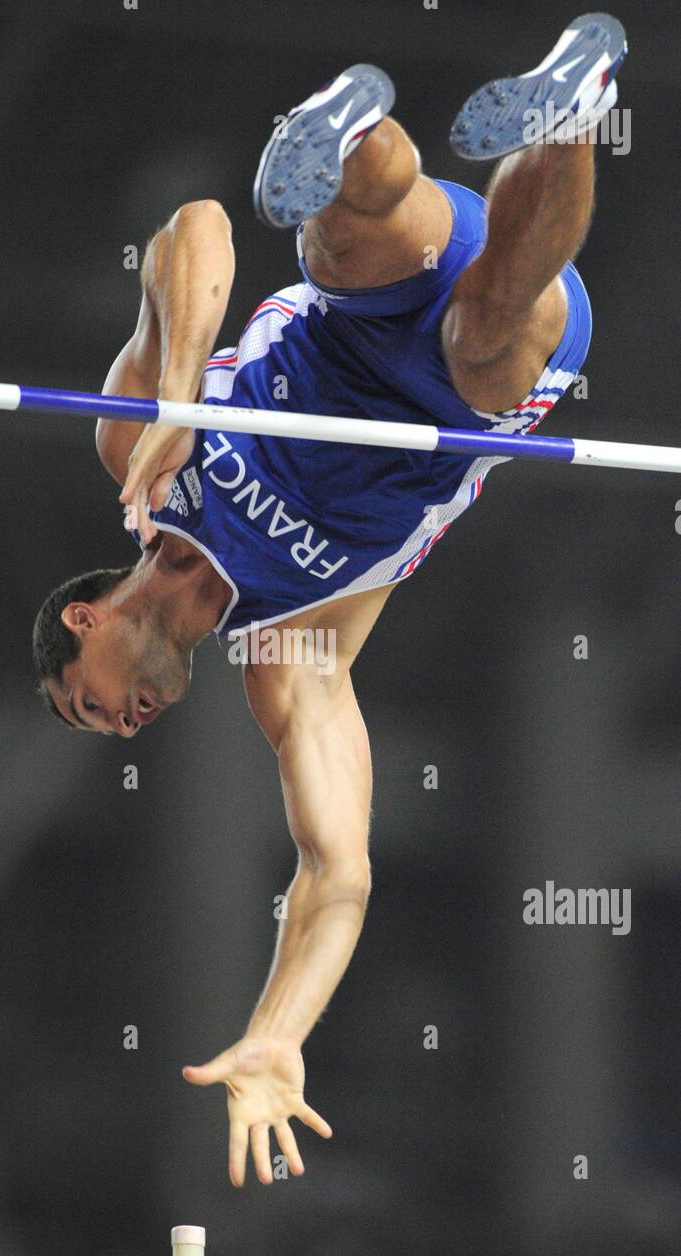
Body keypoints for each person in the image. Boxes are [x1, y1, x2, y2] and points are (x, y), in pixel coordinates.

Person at [32, 16, 627, 1186]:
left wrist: (181, 403)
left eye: (89, 709)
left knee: (345, 235)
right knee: (482, 332)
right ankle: (570, 113)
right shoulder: (292, 647)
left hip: (352, 315)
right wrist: (276, 1034)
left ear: (85, 622)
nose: (121, 728)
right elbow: (336, 868)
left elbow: (192, 231)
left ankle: (349, 126)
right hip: (464, 396)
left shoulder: (130, 450)